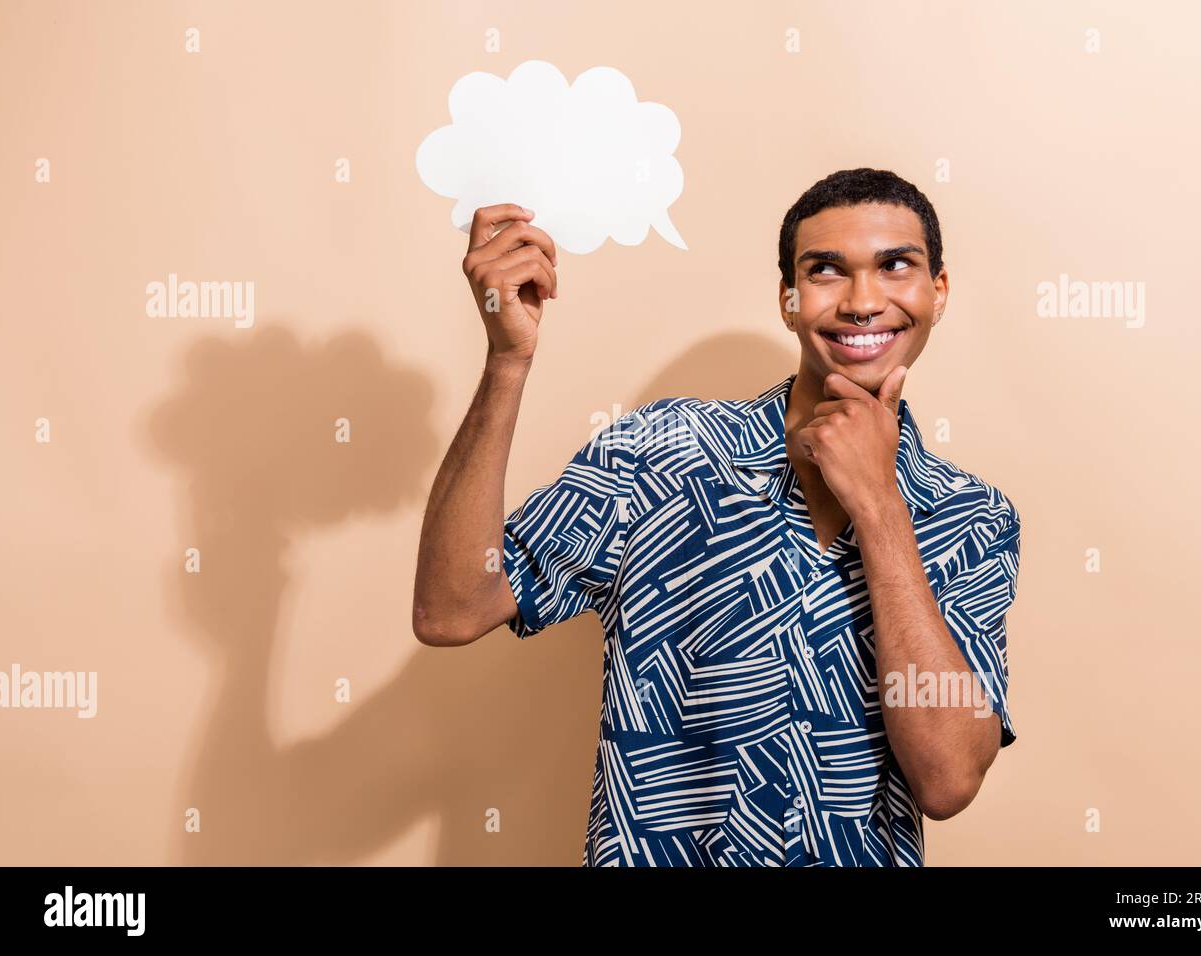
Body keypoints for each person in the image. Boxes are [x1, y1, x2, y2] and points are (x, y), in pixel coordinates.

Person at [413, 168, 1022, 867]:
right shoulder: (660, 453)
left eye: (895, 266)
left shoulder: (971, 516)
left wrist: (882, 509)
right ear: (789, 300)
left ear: (936, 292)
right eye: (826, 271)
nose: (862, 301)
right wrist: (508, 361)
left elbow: (947, 779)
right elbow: (451, 609)